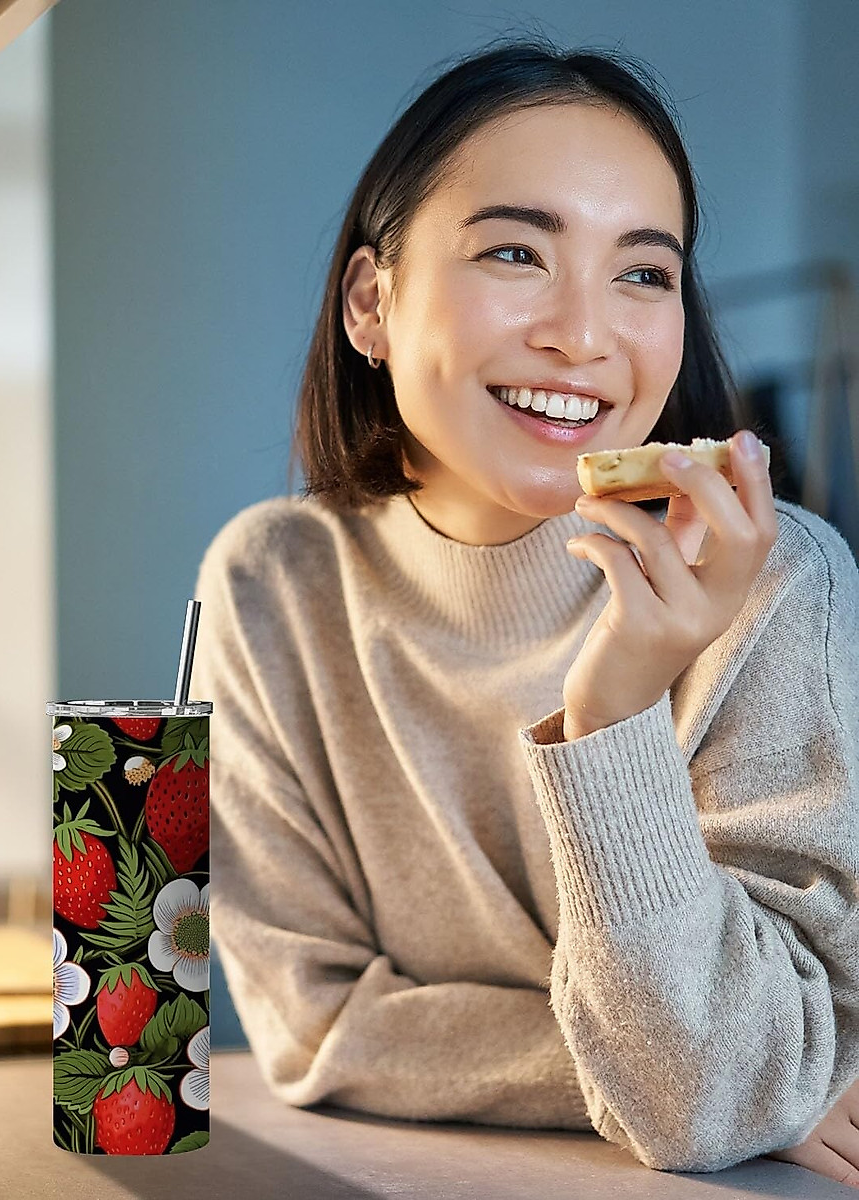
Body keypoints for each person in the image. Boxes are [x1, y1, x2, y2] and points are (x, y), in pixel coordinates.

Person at [186, 39, 859, 1186]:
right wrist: (723, 1075)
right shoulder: (272, 584)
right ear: (371, 304)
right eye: (515, 252)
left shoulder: (781, 581)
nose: (583, 333)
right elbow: (310, 1027)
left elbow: (750, 1079)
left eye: (644, 274)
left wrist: (612, 709)